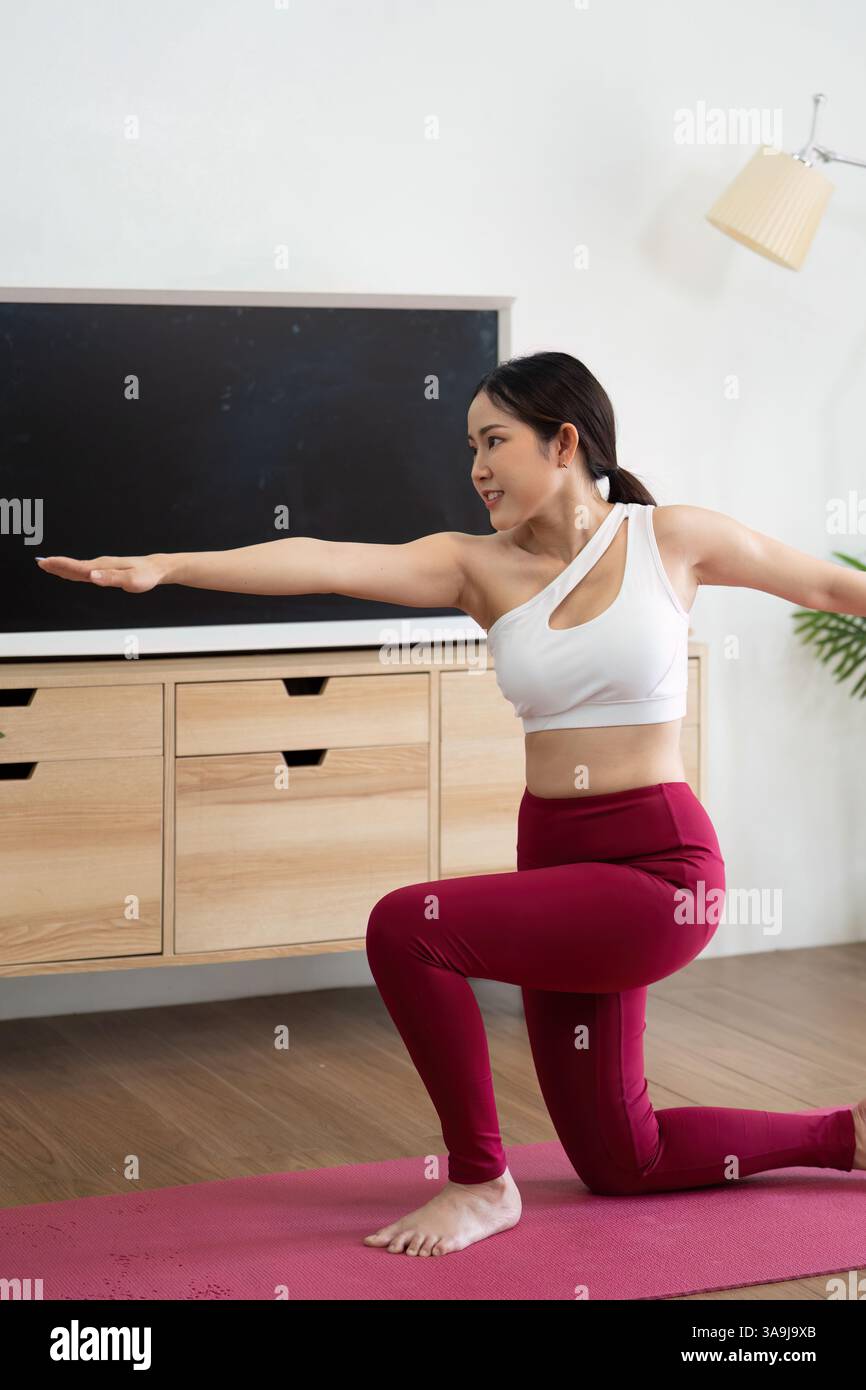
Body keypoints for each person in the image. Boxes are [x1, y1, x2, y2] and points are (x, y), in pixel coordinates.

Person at [36, 350, 866, 1260]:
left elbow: (830, 587)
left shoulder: (670, 539)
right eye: (468, 445)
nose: (474, 468)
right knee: (624, 1159)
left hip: (660, 870)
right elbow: (325, 560)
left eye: (493, 441)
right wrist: (170, 565)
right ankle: (847, 1137)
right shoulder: (475, 567)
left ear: (564, 443)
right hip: (557, 861)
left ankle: (479, 1182)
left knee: (406, 927)